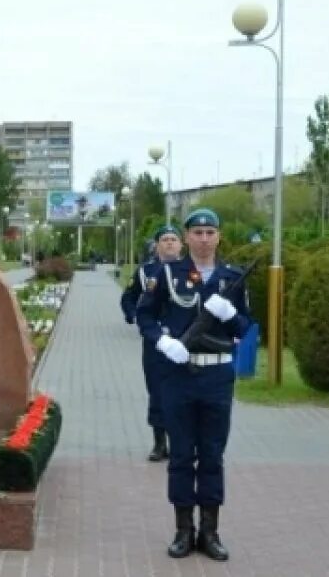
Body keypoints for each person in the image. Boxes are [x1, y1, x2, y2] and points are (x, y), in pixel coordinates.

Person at [135, 208, 251, 561]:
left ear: (218, 237)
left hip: (217, 377)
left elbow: (245, 328)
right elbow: (144, 314)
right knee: (182, 455)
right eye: (197, 232)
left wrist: (231, 315)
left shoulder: (232, 277)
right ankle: (183, 530)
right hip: (179, 377)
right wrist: (162, 341)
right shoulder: (167, 274)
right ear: (186, 238)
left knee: (212, 456)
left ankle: (210, 532)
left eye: (209, 232)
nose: (203, 238)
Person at [120, 224, 183, 462]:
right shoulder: (146, 272)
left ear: (181, 244)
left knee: (182, 392)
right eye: (164, 239)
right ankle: (159, 443)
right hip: (156, 342)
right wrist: (134, 317)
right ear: (157, 245)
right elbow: (129, 297)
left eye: (173, 239)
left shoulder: (191, 270)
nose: (169, 243)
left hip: (184, 341)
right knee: (157, 391)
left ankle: (180, 442)